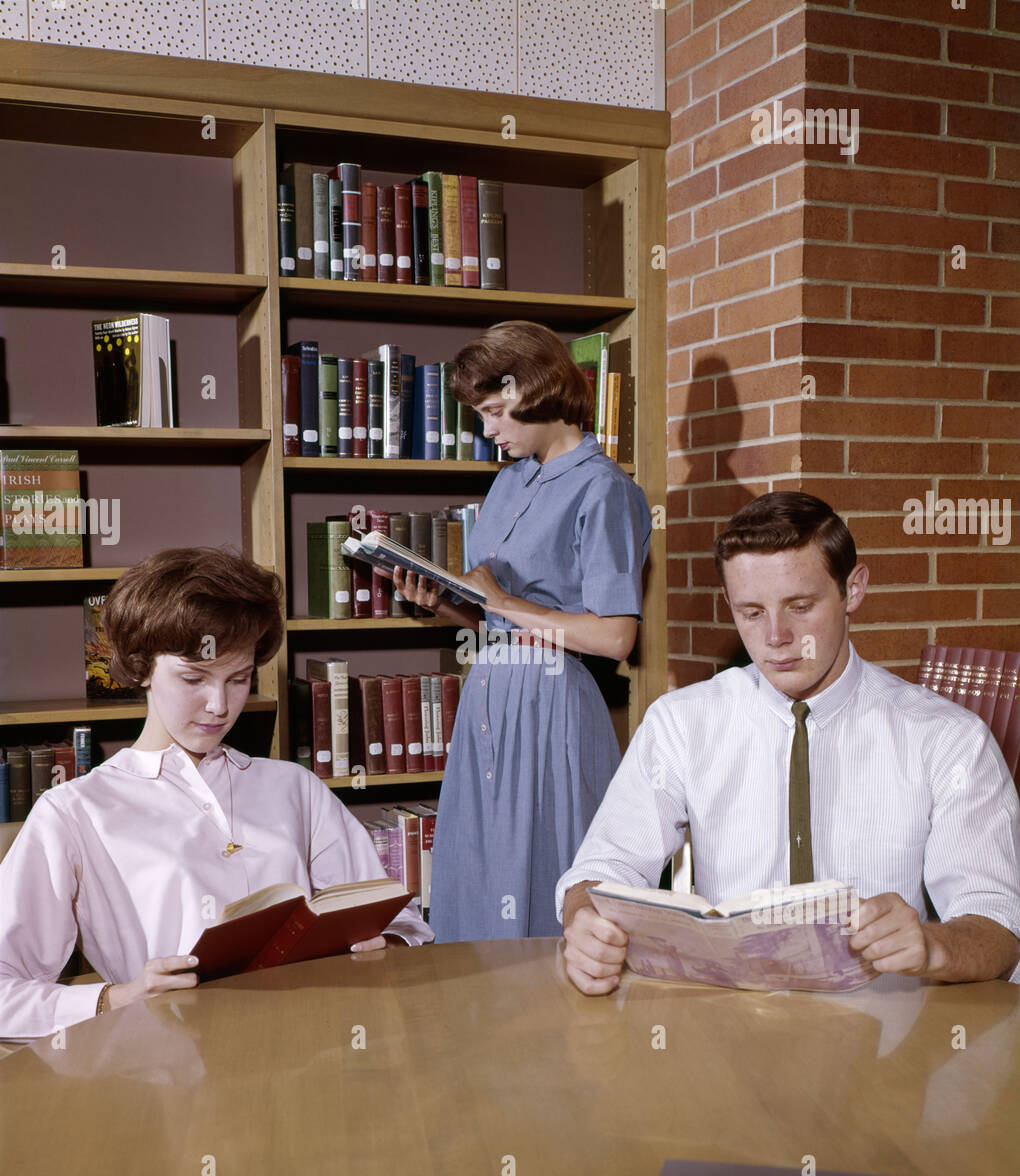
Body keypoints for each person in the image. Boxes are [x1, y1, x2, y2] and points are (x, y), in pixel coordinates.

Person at [557, 491, 1020, 993]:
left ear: (854, 590)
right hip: (727, 1026)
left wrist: (934, 946)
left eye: (800, 606)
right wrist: (586, 922)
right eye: (751, 612)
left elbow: (997, 924)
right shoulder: (681, 722)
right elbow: (604, 869)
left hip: (887, 1033)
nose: (777, 637)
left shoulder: (949, 739)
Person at [0, 547, 431, 1043]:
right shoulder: (74, 812)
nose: (219, 705)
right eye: (193, 678)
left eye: (239, 679)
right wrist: (114, 998)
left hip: (312, 1053)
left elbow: (403, 924)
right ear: (141, 667)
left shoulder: (294, 787)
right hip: (171, 1077)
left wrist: (389, 944)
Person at [391, 320, 652, 941]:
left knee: (542, 876)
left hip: (551, 704)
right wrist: (441, 604)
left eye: (495, 411)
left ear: (535, 390)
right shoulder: (509, 480)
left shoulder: (605, 490)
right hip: (489, 693)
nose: (488, 431)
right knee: (479, 873)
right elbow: (496, 619)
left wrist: (502, 598)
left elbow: (616, 636)